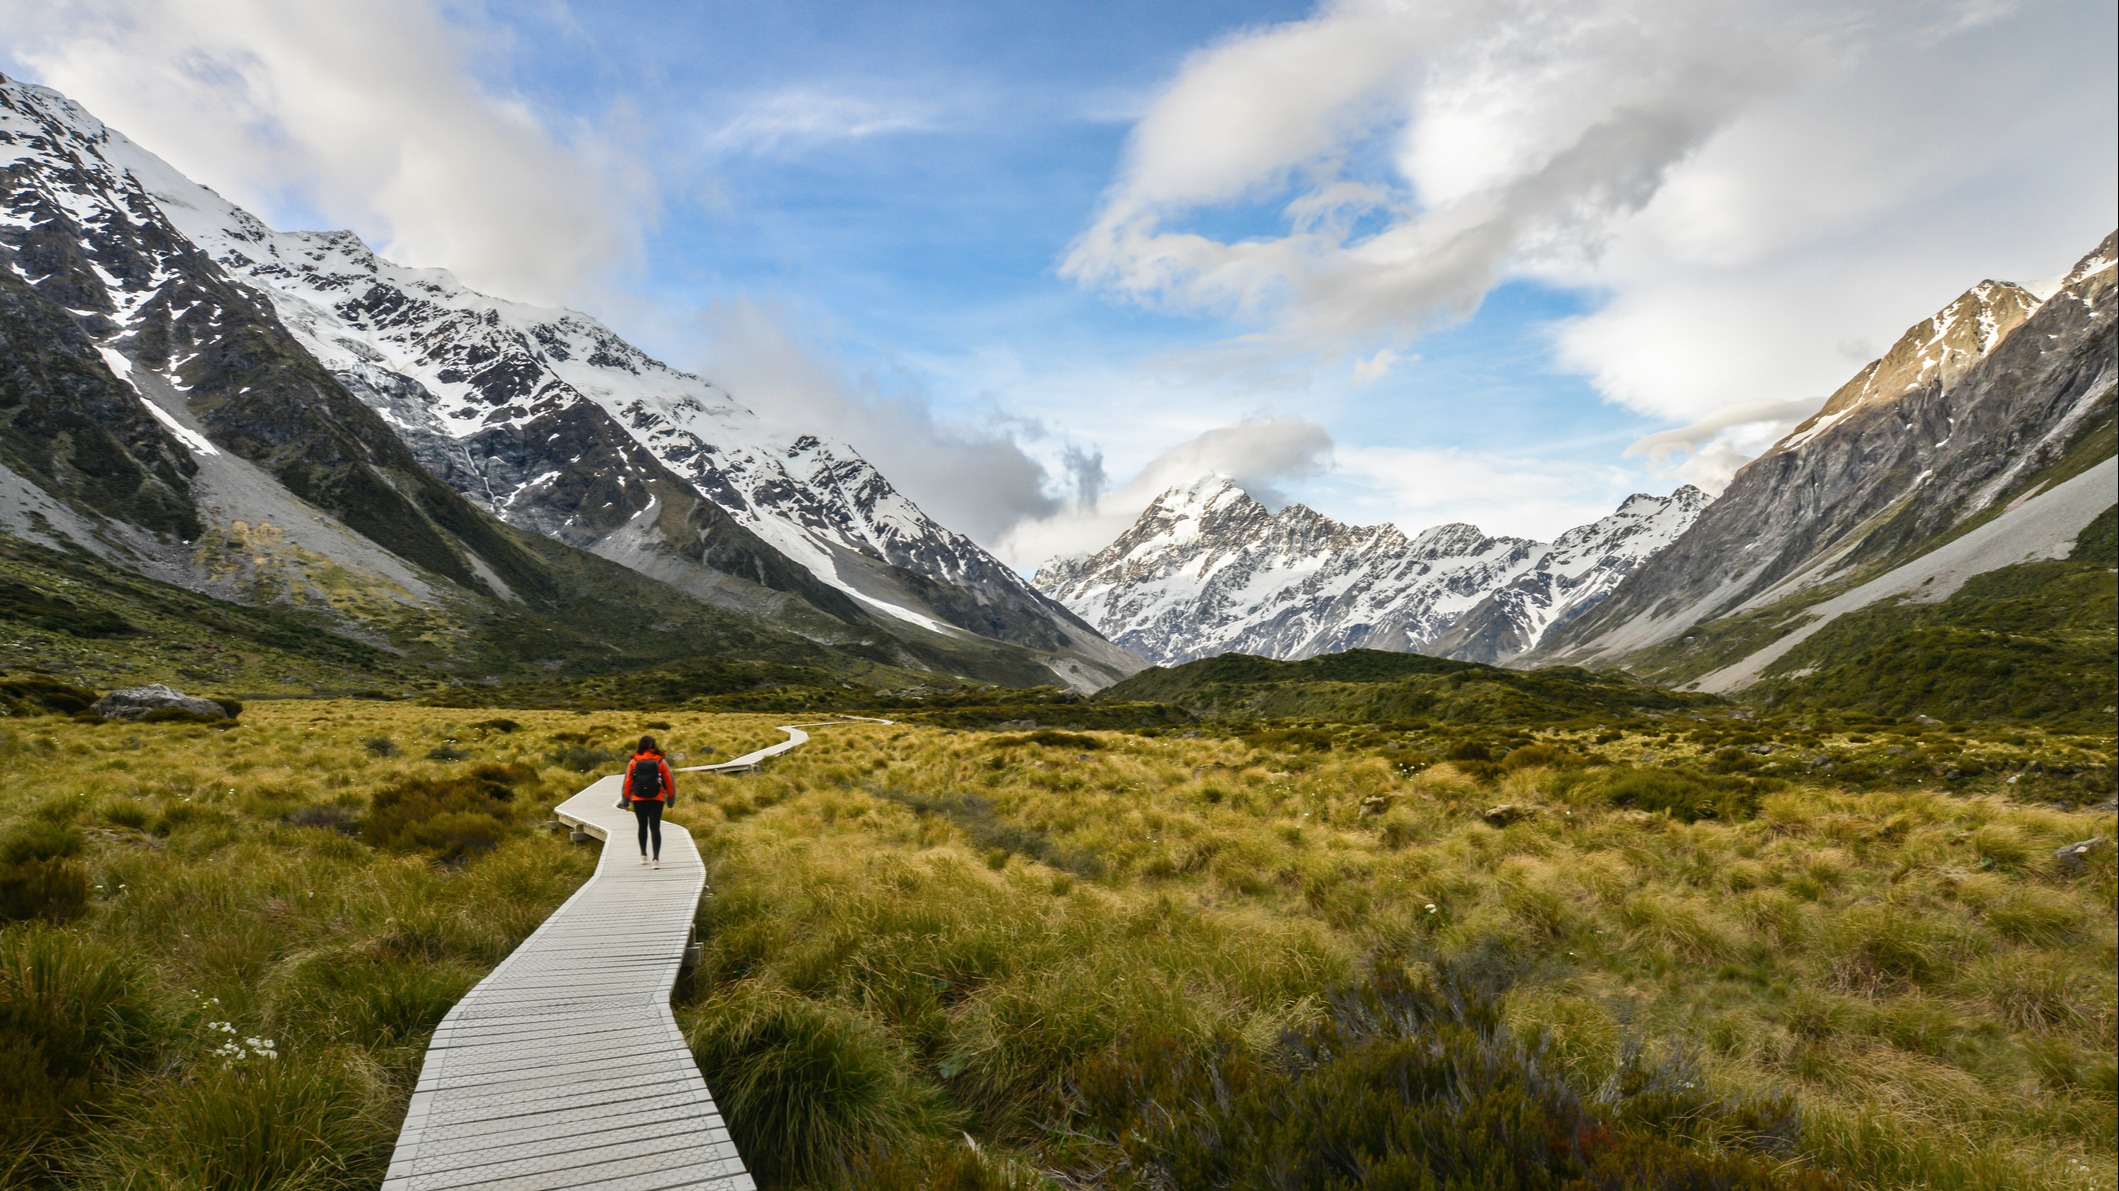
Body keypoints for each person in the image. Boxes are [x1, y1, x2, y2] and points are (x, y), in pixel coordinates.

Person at [623, 735, 676, 870]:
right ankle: (656, 859)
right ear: (654, 746)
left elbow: (628, 782)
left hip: (638, 798)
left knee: (642, 826)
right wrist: (671, 798)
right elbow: (669, 780)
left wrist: (626, 800)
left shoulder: (634, 761)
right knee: (655, 827)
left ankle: (643, 855)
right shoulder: (660, 761)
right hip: (656, 798)